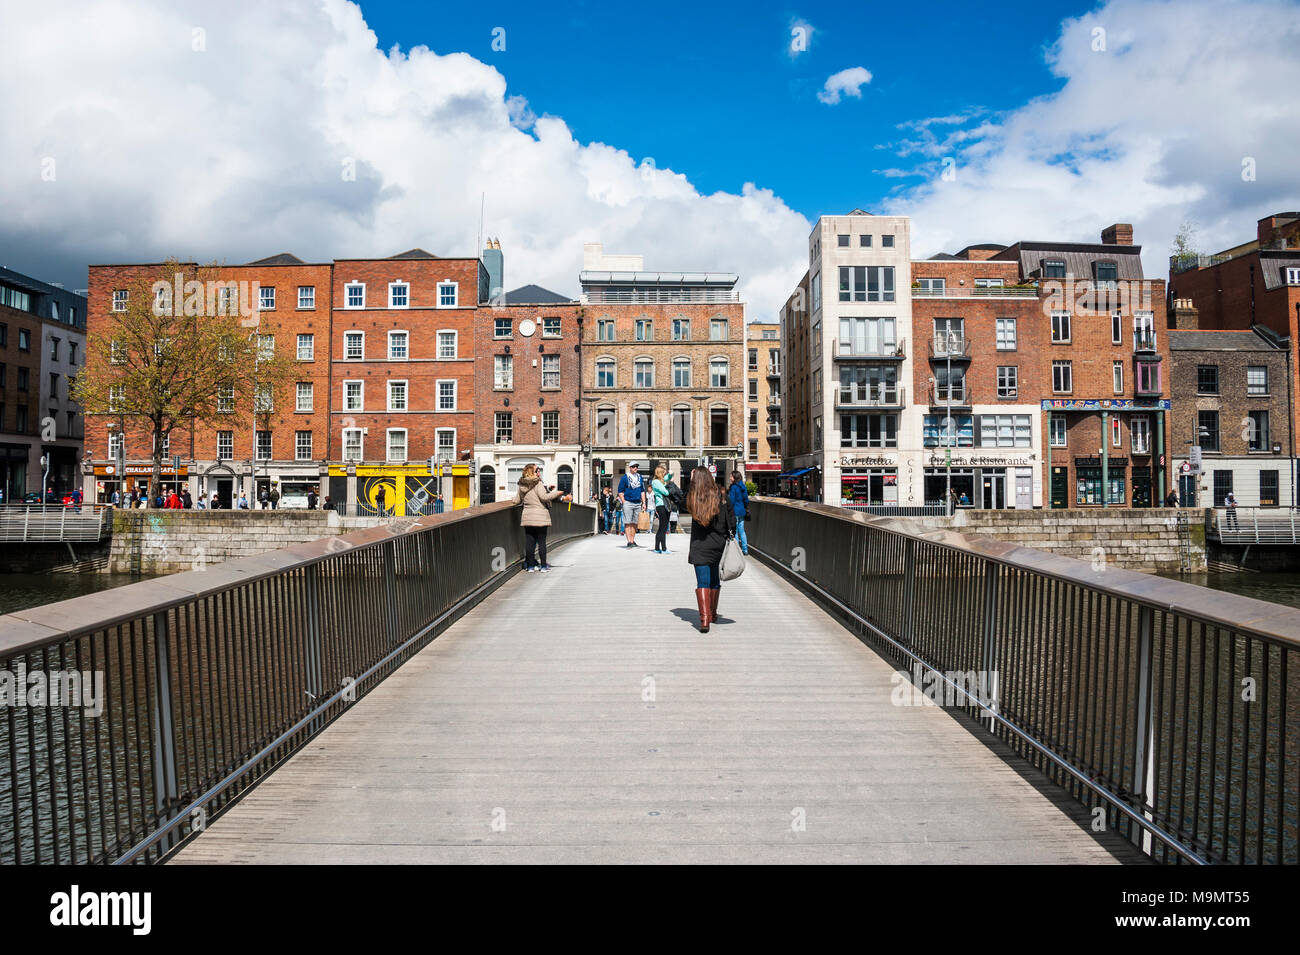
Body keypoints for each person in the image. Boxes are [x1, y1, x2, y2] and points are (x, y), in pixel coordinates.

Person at [687, 466, 736, 634]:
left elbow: (677, 500)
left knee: (703, 582)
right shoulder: (722, 496)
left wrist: (691, 483)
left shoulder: (693, 497)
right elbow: (732, 519)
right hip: (717, 544)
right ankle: (713, 613)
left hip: (699, 545)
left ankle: (704, 620)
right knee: (715, 580)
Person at [516, 464, 569, 573]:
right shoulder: (537, 483)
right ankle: (543, 566)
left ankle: (530, 566)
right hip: (540, 516)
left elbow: (516, 501)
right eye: (537, 470)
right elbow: (544, 497)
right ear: (532, 472)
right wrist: (557, 493)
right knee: (541, 542)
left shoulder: (522, 485)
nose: (539, 472)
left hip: (527, 516)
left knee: (529, 542)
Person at [617, 462, 647, 548]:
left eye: (636, 466)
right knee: (628, 522)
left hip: (638, 503)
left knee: (635, 523)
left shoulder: (640, 477)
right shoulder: (625, 477)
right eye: (633, 466)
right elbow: (620, 491)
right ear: (630, 468)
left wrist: (644, 503)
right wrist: (624, 501)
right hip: (628, 502)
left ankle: (632, 540)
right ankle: (629, 541)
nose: (635, 468)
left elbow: (642, 491)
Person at [726, 470, 750, 556]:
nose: (730, 478)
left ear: (734, 477)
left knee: (734, 531)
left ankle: (737, 550)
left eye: (731, 476)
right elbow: (746, 500)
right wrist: (745, 507)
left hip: (734, 511)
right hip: (742, 511)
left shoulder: (734, 487)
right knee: (742, 531)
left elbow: (731, 501)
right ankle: (745, 549)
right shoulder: (743, 486)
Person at [650, 465, 671, 554]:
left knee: (662, 527)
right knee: (663, 528)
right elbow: (665, 492)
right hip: (662, 505)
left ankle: (658, 548)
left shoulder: (659, 481)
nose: (664, 474)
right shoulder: (656, 482)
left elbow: (668, 477)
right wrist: (669, 486)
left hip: (663, 505)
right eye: (663, 472)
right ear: (660, 473)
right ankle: (663, 548)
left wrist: (670, 474)